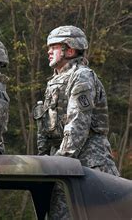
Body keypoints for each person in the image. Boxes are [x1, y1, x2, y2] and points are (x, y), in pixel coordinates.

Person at [34, 25, 119, 219]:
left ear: (70, 50)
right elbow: (47, 126)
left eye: (54, 47)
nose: (48, 51)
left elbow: (77, 125)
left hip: (90, 166)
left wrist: (58, 163)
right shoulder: (54, 81)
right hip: (66, 163)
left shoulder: (81, 76)